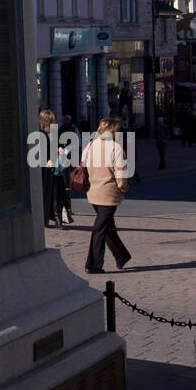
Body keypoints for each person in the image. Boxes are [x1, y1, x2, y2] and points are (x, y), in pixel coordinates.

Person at [82, 116, 132, 274]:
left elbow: (83, 166)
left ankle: (121, 255)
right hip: (108, 194)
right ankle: (94, 263)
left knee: (105, 226)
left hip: (93, 192)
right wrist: (123, 189)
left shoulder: (90, 145)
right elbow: (121, 174)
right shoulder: (116, 148)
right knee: (101, 228)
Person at [38, 106, 64, 229]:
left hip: (56, 167)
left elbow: (58, 145)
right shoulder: (39, 133)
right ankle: (45, 219)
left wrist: (60, 148)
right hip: (44, 169)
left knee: (56, 193)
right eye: (52, 120)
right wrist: (46, 160)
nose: (54, 122)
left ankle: (58, 219)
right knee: (46, 193)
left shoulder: (55, 133)